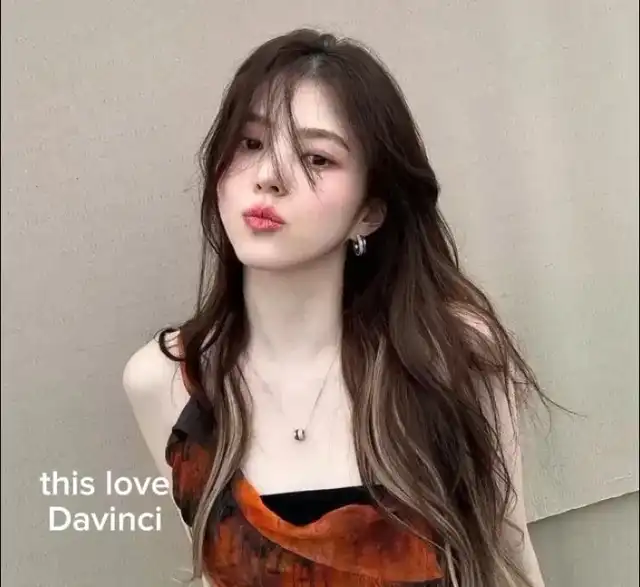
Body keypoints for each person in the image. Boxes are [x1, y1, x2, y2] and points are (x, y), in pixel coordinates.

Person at [123, 28, 548, 587]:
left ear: (369, 213)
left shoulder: (450, 354)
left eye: (317, 158)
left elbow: (509, 557)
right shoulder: (164, 380)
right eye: (250, 143)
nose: (269, 177)